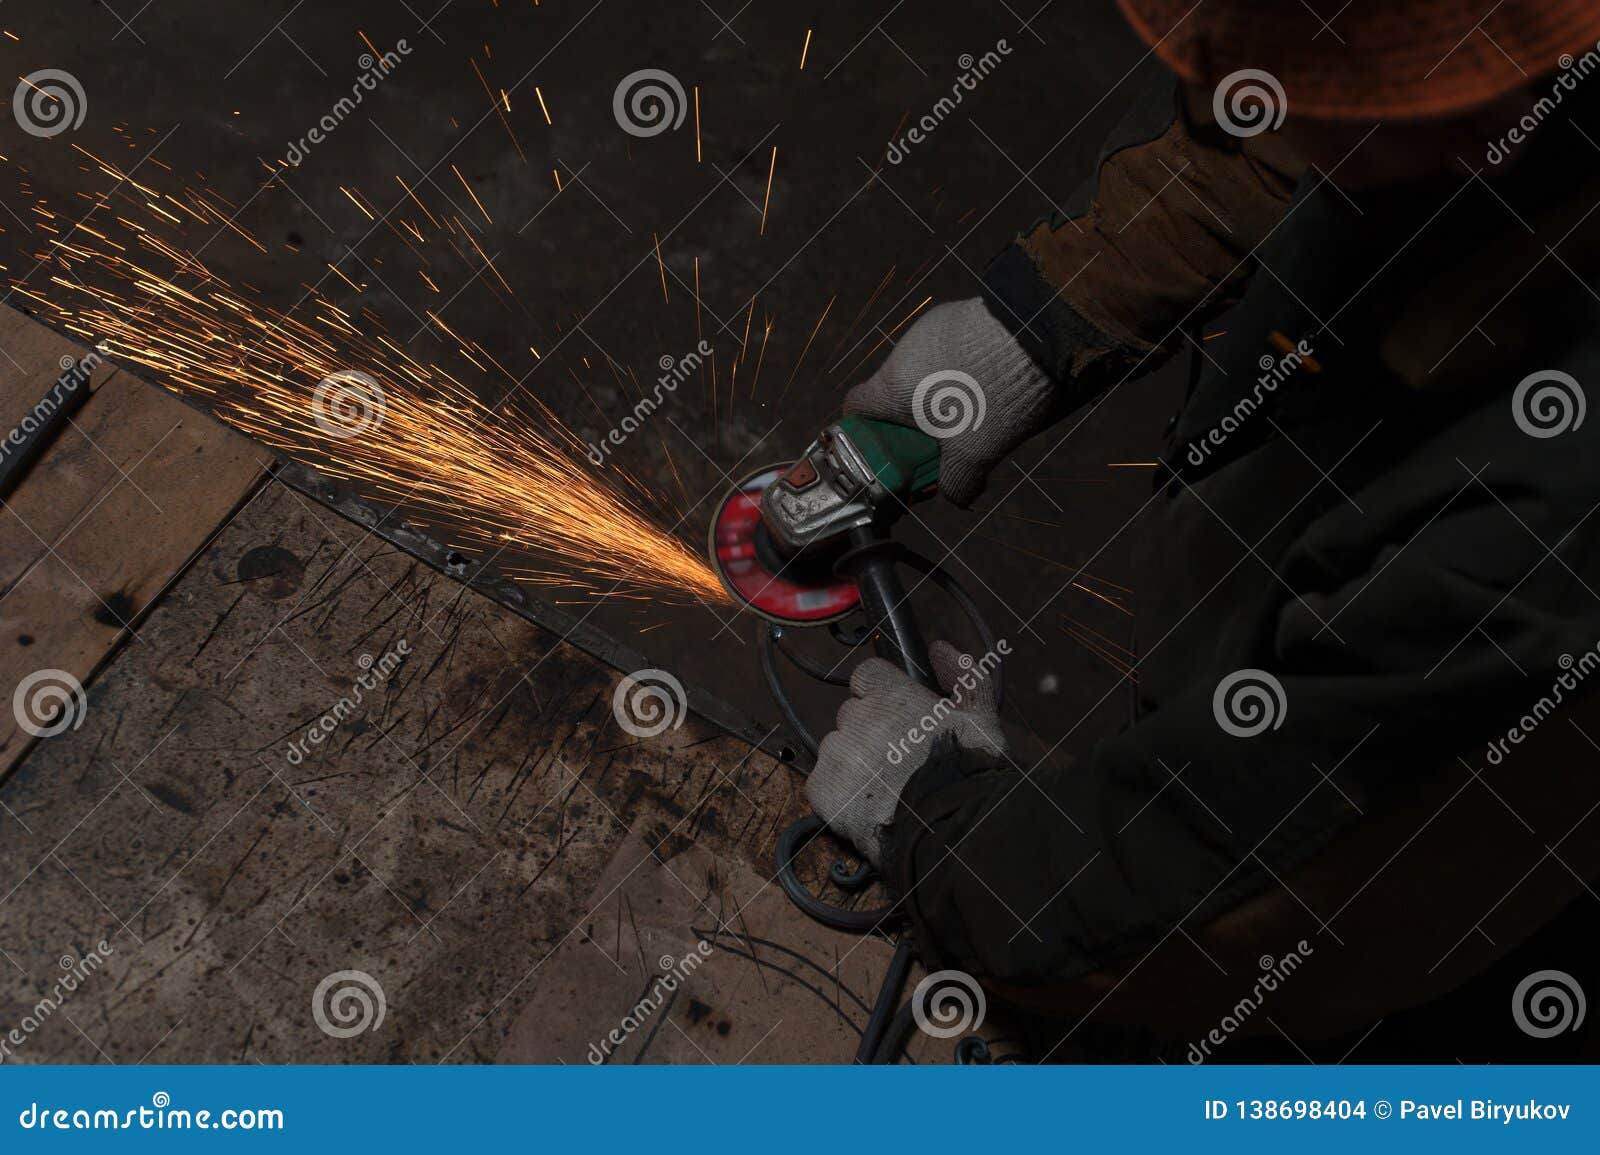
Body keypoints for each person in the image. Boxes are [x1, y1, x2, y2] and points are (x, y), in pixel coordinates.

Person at [807, 0, 1600, 1061]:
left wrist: (946, 834)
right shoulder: (1487, 91)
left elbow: (1248, 913)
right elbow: (1293, 131)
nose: (1234, 111)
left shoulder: (1531, 531)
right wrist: (1036, 322)